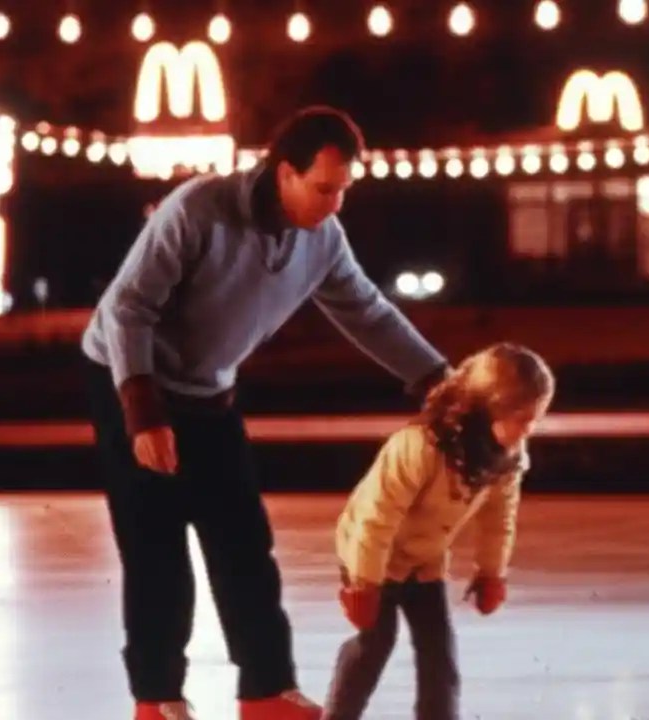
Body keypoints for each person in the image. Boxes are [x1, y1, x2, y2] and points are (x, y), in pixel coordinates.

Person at [82, 106, 450, 720]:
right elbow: (127, 309)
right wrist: (143, 414)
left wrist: (440, 381)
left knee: (243, 541)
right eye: (324, 188)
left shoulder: (323, 238)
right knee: (156, 546)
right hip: (128, 376)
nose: (334, 205)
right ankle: (157, 698)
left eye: (344, 191)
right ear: (285, 173)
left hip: (209, 391)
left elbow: (368, 311)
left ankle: (264, 692)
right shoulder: (198, 209)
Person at [324, 343, 555, 720]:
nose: (528, 428)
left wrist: (491, 572)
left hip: (424, 560)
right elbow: (376, 518)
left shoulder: (507, 455)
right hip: (369, 552)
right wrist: (364, 584)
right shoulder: (419, 447)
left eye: (536, 418)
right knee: (375, 643)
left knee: (438, 652)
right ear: (485, 408)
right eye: (520, 417)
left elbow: (499, 517)